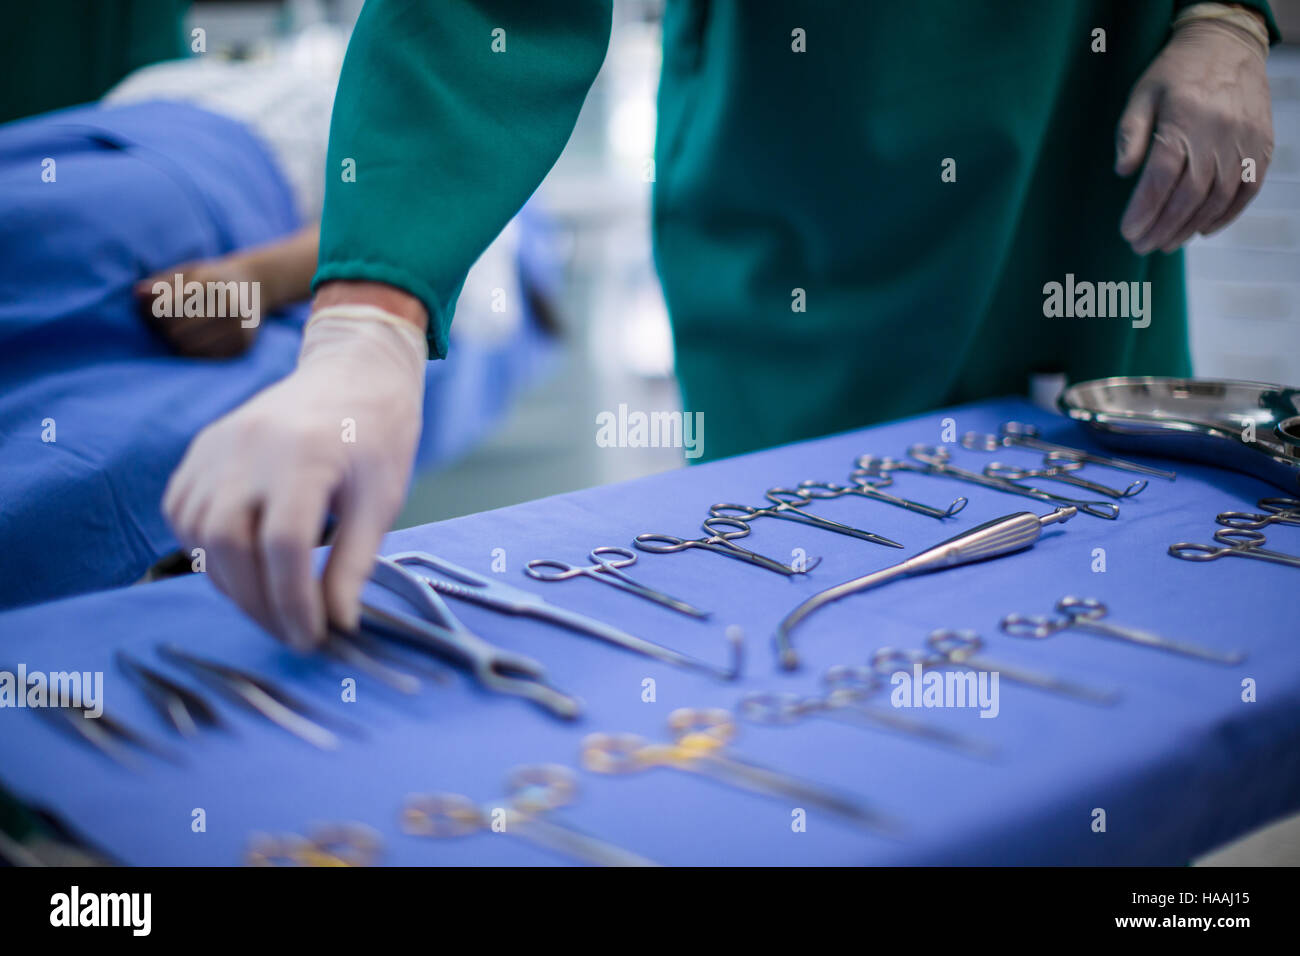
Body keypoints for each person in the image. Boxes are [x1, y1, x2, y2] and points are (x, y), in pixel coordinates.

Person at [164, 1, 1279, 651]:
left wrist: (1223, 15)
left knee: (1102, 630)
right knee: (811, 623)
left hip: (1080, 168)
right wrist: (371, 311)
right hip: (799, 205)